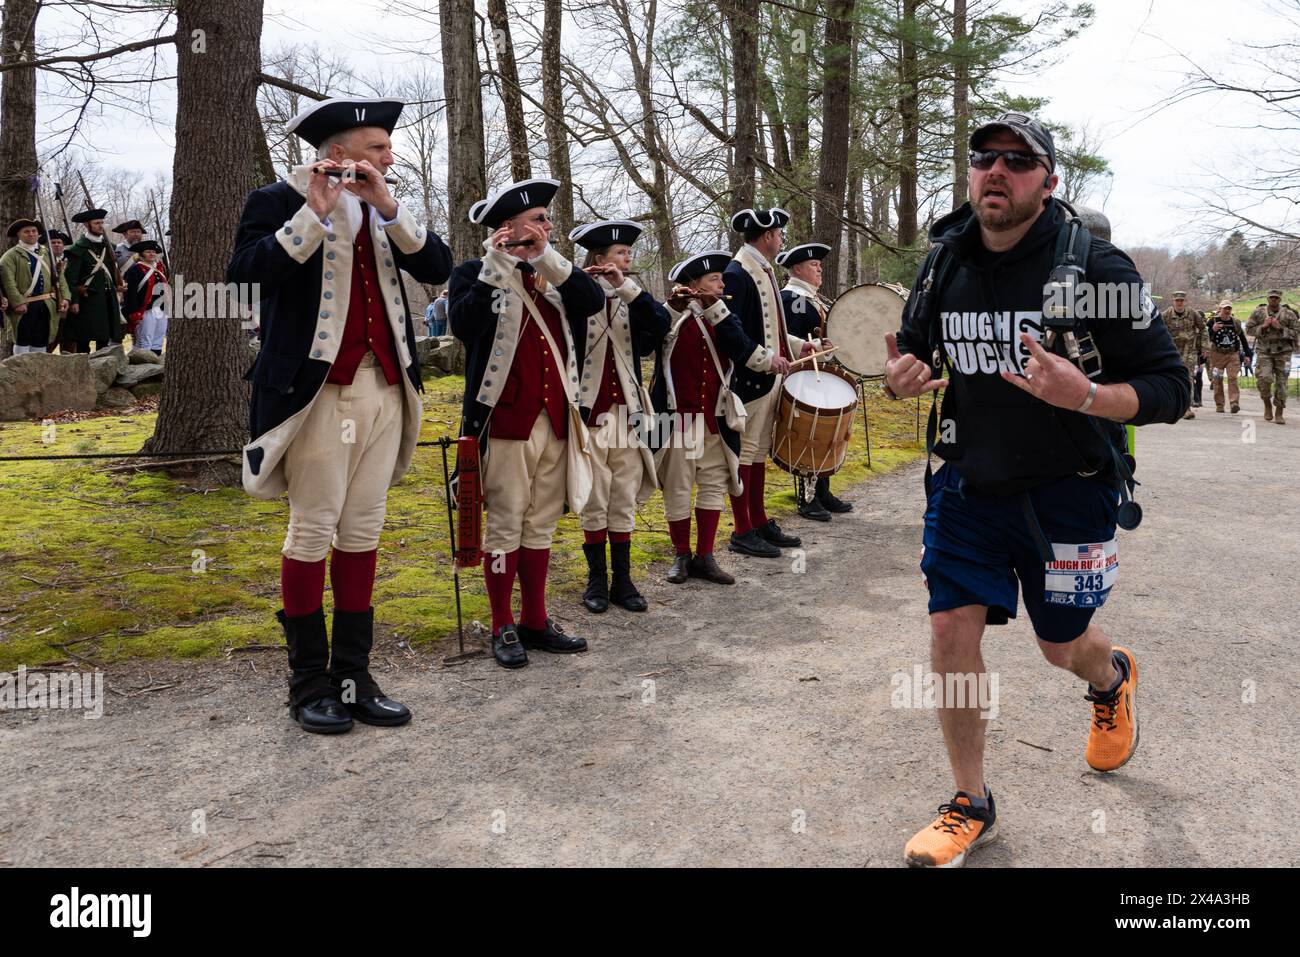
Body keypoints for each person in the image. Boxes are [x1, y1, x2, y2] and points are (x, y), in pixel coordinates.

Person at [887, 112, 1188, 868]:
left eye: (1018, 160)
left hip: (1068, 491)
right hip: (967, 486)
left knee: (1064, 648)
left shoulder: (1097, 270)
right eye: (984, 156)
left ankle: (1111, 676)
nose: (997, 169)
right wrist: (903, 377)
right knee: (951, 629)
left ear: (1048, 181)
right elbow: (916, 354)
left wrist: (1086, 395)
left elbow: (1171, 387)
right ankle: (970, 801)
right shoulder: (944, 260)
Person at [228, 95, 453, 734]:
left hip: (386, 387)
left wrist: (389, 208)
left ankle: (354, 676)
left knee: (363, 530)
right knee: (312, 529)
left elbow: (438, 268)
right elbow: (244, 273)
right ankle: (307, 684)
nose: (389, 157)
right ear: (338, 152)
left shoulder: (386, 207)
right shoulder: (276, 200)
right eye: (377, 148)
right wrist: (313, 215)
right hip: (317, 395)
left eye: (387, 147)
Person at [448, 177, 605, 669]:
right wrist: (497, 265)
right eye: (537, 219)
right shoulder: (474, 272)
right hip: (506, 419)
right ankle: (502, 624)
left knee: (540, 523)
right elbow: (465, 325)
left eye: (546, 219)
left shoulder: (556, 274)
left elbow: (591, 301)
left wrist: (545, 257)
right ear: (506, 226)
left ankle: (535, 619)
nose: (547, 226)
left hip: (557, 415)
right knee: (505, 523)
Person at [569, 219, 670, 613]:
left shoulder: (635, 297)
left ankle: (623, 581)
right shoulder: (577, 296)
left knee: (622, 496)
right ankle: (596, 581)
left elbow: (659, 328)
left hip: (628, 413)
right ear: (598, 258)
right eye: (620, 253)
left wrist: (627, 288)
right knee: (595, 498)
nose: (627, 259)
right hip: (589, 413)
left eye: (627, 253)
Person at [722, 207, 823, 558]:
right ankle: (742, 529)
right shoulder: (737, 273)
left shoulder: (760, 268)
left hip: (767, 377)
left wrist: (797, 346)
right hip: (750, 379)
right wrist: (765, 361)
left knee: (758, 454)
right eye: (779, 233)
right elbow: (731, 332)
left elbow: (772, 330)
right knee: (745, 456)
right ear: (767, 236)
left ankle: (759, 520)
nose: (781, 239)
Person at [651, 251, 756, 586]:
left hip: (716, 419)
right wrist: (674, 307)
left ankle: (706, 556)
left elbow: (741, 348)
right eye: (714, 280)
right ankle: (681, 554)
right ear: (693, 284)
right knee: (678, 488)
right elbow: (648, 341)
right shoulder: (671, 317)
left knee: (713, 485)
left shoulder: (723, 316)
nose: (722, 285)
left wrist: (717, 309)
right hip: (679, 420)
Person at [776, 240, 853, 520]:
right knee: (808, 435)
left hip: (819, 374)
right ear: (797, 269)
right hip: (804, 376)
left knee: (823, 433)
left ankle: (822, 491)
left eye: (820, 265)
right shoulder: (792, 298)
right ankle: (806, 498)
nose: (820, 270)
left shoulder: (811, 297)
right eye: (814, 265)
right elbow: (789, 340)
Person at [1, 220, 70, 354]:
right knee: (22, 340)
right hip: (25, 305)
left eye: (34, 231)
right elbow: (7, 282)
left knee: (41, 340)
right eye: (26, 231)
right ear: (19, 235)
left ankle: (38, 372)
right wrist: (17, 303)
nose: (31, 234)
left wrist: (65, 297)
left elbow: (60, 277)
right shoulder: (10, 256)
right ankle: (22, 373)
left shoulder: (47, 253)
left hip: (46, 305)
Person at [62, 209, 126, 352]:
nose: (101, 226)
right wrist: (75, 301)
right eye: (97, 223)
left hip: (107, 299)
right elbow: (70, 279)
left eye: (102, 223)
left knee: (104, 340)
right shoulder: (77, 249)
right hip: (87, 300)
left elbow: (111, 271)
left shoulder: (109, 247)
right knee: (83, 341)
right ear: (87, 225)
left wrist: (118, 284)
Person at [1246, 289, 1300, 424]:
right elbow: (1248, 329)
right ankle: (1267, 404)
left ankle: (1279, 411)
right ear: (1267, 298)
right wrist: (1263, 327)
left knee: (1281, 383)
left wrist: (1280, 327)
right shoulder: (1258, 313)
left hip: (1284, 353)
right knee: (1264, 379)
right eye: (1271, 298)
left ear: (1280, 299)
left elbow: (1297, 332)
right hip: (1265, 351)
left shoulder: (1289, 314)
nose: (1273, 300)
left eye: (1276, 298)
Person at [1161, 291, 1204, 420]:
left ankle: (1186, 407)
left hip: (1189, 351)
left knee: (1187, 376)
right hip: (1171, 352)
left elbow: (1203, 328)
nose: (1179, 303)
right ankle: (1172, 405)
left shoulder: (1193, 314)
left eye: (1181, 300)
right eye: (1177, 301)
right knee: (1171, 378)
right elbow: (1159, 332)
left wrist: (1205, 347)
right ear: (1173, 302)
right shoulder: (1166, 315)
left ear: (1185, 301)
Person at [122, 240, 168, 356]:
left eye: (153, 252)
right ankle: (141, 369)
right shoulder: (135, 270)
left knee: (158, 340)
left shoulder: (160, 269)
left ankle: (154, 365)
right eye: (148, 252)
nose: (152, 254)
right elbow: (130, 294)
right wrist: (133, 313)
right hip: (145, 310)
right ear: (141, 255)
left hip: (161, 309)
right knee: (144, 341)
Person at [1206, 300, 1249, 413]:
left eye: (1229, 308)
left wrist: (1247, 354)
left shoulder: (1235, 322)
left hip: (1232, 354)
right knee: (1217, 379)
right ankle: (1219, 404)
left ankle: (1234, 403)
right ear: (1220, 309)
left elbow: (1243, 338)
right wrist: (1212, 330)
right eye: (1225, 308)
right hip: (1217, 355)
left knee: (1232, 378)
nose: (1227, 311)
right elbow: (1205, 337)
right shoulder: (1212, 321)